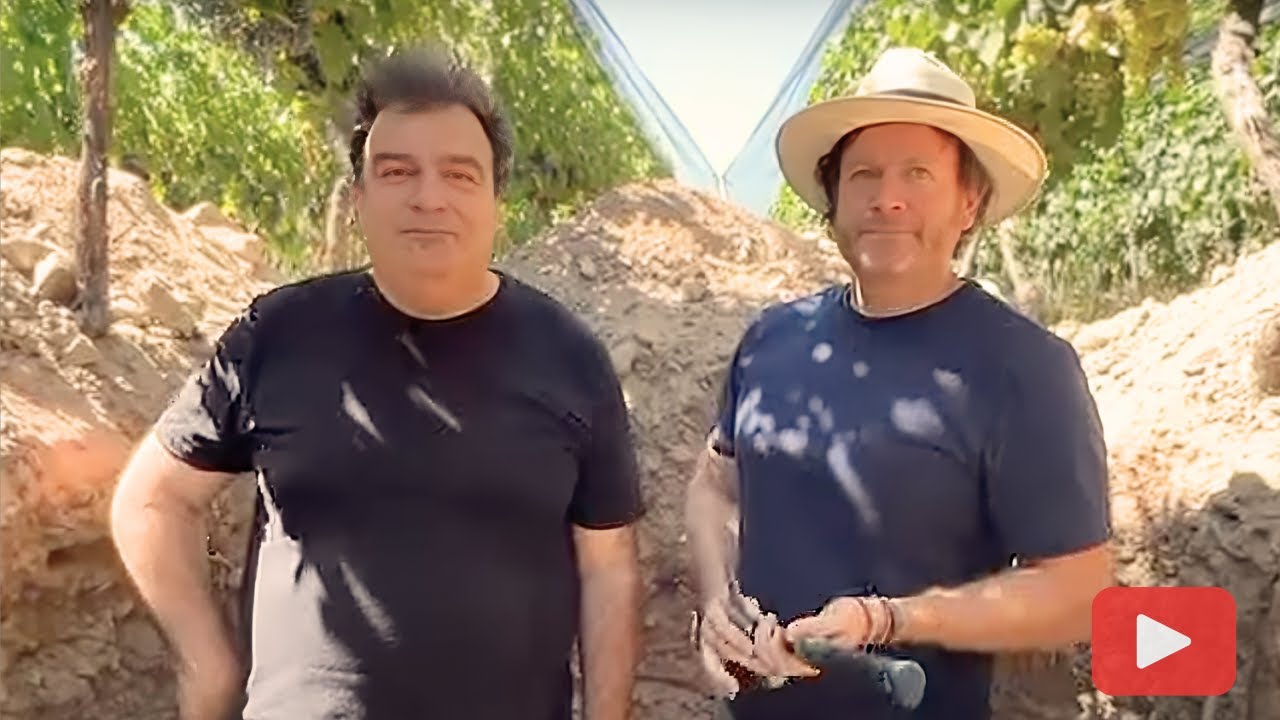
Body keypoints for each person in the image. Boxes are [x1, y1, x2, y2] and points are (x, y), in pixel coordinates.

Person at [110, 47, 645, 720]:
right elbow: (151, 501)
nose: (429, 196)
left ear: (494, 202)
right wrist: (208, 666)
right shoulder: (275, 335)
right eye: (397, 172)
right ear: (358, 196)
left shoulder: (570, 357)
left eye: (459, 173)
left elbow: (608, 569)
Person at [685, 47, 1114, 720]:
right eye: (864, 174)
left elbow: (1077, 594)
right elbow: (713, 486)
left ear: (969, 202)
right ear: (832, 201)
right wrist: (717, 598)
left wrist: (888, 619)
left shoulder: (1024, 369)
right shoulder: (771, 339)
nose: (887, 197)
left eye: (918, 173)